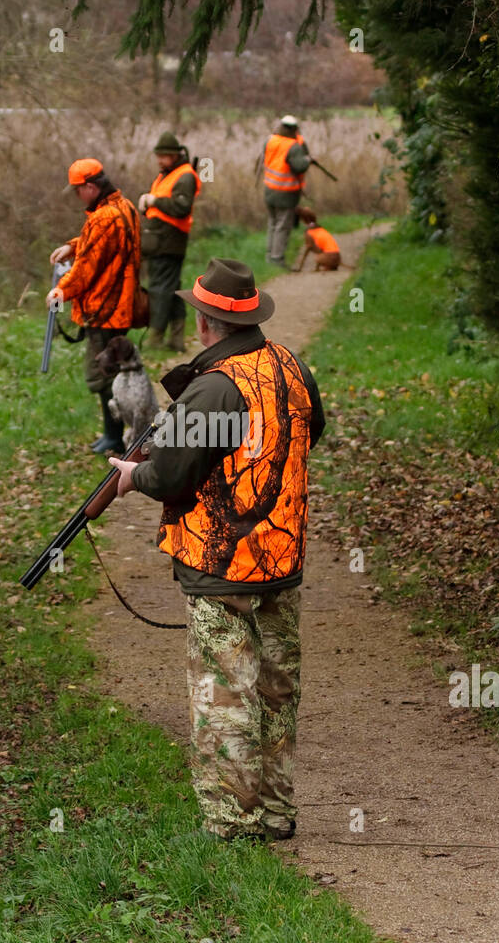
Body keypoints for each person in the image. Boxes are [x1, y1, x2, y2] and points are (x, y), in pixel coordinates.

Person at [109, 258, 325, 841]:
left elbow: (173, 474)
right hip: (282, 560)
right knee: (278, 688)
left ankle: (233, 821)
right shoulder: (291, 366)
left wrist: (131, 478)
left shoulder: (211, 390)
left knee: (225, 689)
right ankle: (277, 811)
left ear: (206, 323)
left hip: (220, 563)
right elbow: (310, 430)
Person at [47, 158, 140, 455]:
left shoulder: (104, 217)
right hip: (118, 305)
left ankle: (116, 437)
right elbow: (95, 243)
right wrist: (72, 245)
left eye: (77, 190)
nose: (77, 197)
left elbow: (85, 270)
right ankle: (115, 434)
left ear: (90, 186)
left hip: (105, 309)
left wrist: (60, 291)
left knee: (104, 377)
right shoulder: (123, 206)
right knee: (111, 374)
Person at [138, 131, 201, 353]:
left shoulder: (184, 176)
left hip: (169, 241)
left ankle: (155, 337)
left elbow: (181, 208)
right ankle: (176, 339)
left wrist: (155, 200)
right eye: (158, 155)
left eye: (164, 156)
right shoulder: (168, 174)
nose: (159, 160)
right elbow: (166, 206)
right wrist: (149, 204)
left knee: (159, 289)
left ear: (175, 156)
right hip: (161, 240)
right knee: (171, 290)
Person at [262, 114, 311, 268]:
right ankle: (277, 260)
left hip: (269, 189)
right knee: (283, 226)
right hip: (285, 192)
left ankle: (269, 256)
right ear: (294, 129)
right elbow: (300, 166)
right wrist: (307, 160)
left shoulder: (270, 140)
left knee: (272, 223)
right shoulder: (293, 146)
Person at [294, 206, 341, 271]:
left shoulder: (310, 231)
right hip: (337, 257)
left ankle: (328, 265)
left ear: (303, 219)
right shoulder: (319, 229)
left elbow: (309, 247)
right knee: (319, 254)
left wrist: (300, 267)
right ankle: (329, 266)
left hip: (330, 257)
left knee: (317, 258)